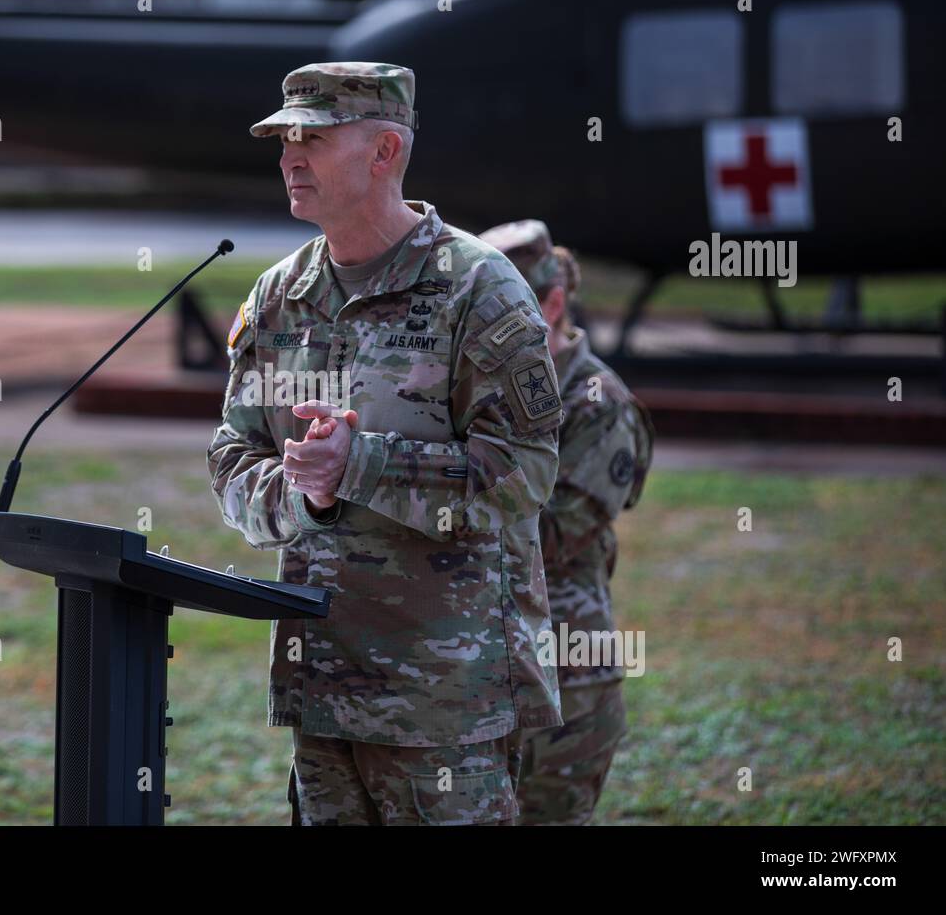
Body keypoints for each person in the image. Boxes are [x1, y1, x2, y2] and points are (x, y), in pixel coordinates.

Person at [207, 62, 564, 825]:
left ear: (385, 152)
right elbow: (231, 457)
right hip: (322, 689)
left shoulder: (479, 289)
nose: (288, 158)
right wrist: (305, 491)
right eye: (282, 139)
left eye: (314, 137)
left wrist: (362, 465)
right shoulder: (279, 297)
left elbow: (523, 478)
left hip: (447, 702)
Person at [478, 219, 655, 825]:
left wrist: (433, 503)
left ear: (552, 304)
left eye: (502, 309)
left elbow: (550, 537)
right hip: (475, 670)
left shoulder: (596, 405)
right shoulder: (480, 390)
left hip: (564, 677)